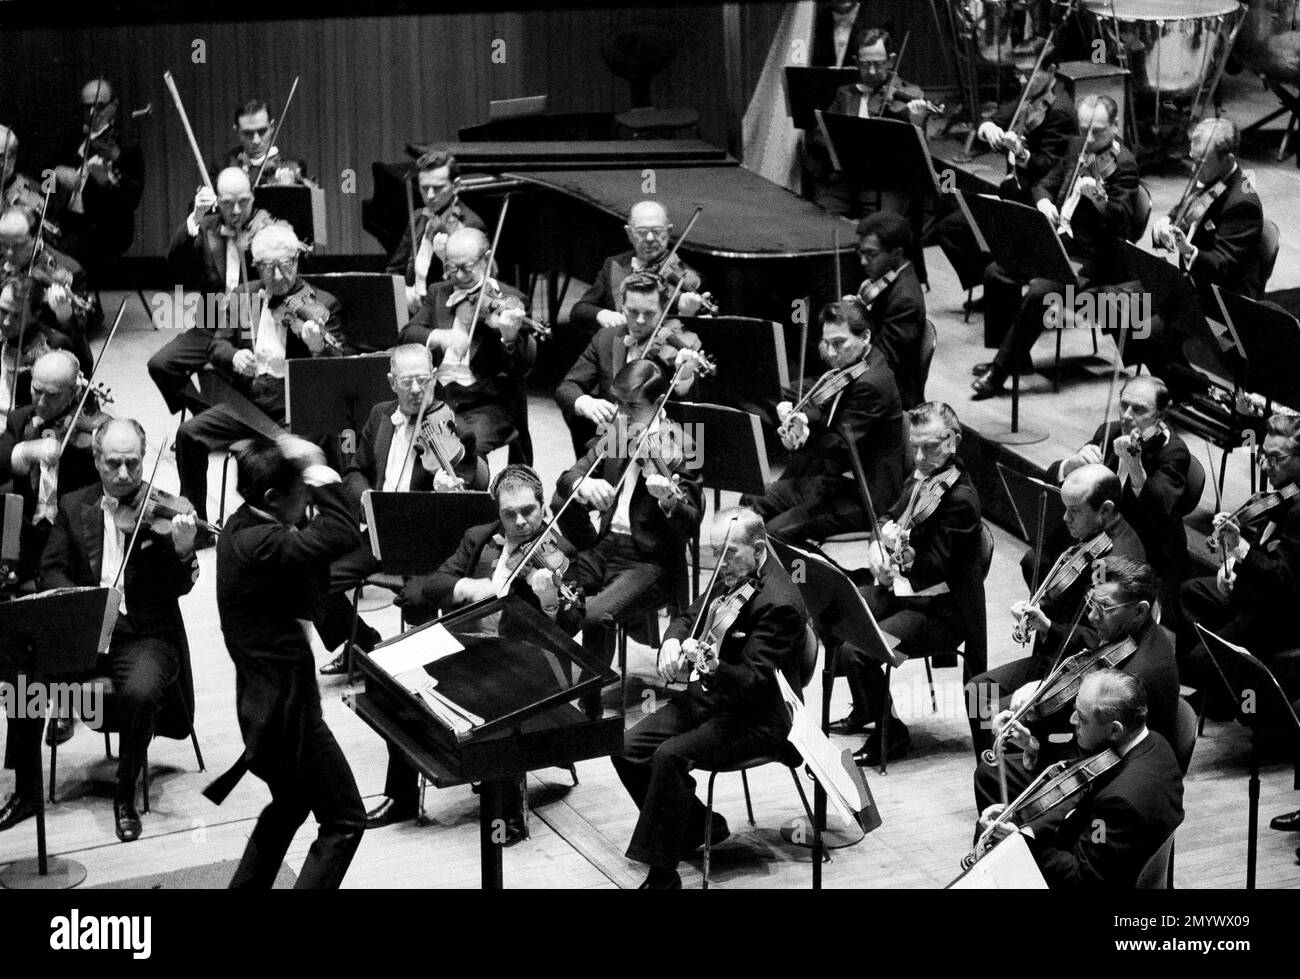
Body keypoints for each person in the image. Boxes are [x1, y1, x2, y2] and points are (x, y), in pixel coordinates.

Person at [0, 419, 198, 840]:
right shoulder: (73, 506)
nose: (124, 475)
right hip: (84, 630)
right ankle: (27, 791)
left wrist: (182, 551)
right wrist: (84, 605)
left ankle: (124, 795)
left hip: (143, 636)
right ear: (96, 459)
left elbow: (178, 587)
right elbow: (49, 569)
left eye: (133, 463)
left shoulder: (164, 511)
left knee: (142, 691)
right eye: (114, 464)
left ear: (144, 460)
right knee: (23, 681)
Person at [365, 464, 581, 838]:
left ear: (544, 507)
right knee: (393, 678)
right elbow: (432, 584)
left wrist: (550, 603)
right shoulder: (479, 538)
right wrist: (466, 586)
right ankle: (401, 796)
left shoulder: (559, 551)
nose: (521, 522)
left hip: (527, 657)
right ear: (497, 512)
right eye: (509, 513)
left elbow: (573, 622)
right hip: (468, 646)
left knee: (500, 694)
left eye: (528, 512)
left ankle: (509, 814)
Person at [612, 507, 810, 889]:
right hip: (709, 700)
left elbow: (755, 682)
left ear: (758, 549)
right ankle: (697, 827)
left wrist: (717, 667)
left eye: (730, 552)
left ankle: (663, 877)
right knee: (626, 748)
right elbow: (689, 615)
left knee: (669, 756)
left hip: (758, 717)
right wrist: (671, 642)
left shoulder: (779, 602)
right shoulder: (732, 574)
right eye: (715, 551)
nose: (721, 563)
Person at [210, 435, 366, 889]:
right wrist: (318, 469)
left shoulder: (241, 526)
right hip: (287, 716)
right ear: (274, 498)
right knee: (344, 820)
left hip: (263, 708)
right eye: (300, 494)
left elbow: (310, 584)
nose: (307, 501)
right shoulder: (262, 543)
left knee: (291, 805)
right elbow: (341, 532)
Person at [312, 343, 488, 676]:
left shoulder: (456, 430)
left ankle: (426, 679)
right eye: (406, 382)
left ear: (435, 377)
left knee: (418, 599)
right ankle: (363, 646)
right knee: (315, 578)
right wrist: (367, 503)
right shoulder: (380, 415)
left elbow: (464, 495)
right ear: (392, 382)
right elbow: (356, 471)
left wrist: (444, 487)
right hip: (379, 531)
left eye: (423, 380)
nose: (416, 390)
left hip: (427, 542)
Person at [831, 402, 985, 764]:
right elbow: (887, 515)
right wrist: (877, 547)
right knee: (838, 613)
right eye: (914, 445)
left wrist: (901, 561)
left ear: (953, 441)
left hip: (940, 612)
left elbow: (934, 566)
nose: (918, 456)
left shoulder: (961, 499)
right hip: (902, 592)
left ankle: (892, 734)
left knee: (861, 650)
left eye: (929, 447)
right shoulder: (921, 477)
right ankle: (868, 709)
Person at [174, 221, 344, 533]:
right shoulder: (242, 295)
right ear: (255, 265)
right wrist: (234, 356)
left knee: (291, 457)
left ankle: (297, 531)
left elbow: (338, 369)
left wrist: (317, 346)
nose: (278, 276)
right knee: (189, 434)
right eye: (268, 267)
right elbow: (216, 345)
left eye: (285, 265)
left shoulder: (322, 303)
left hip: (295, 408)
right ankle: (196, 525)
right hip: (248, 404)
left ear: (296, 260)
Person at [973, 557, 1180, 814]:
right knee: (985, 699)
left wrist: (1036, 748)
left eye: (1104, 607)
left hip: (1111, 779)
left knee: (990, 772)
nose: (1092, 616)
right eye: (1092, 603)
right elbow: (1096, 641)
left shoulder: (1136, 676)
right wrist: (1047, 626)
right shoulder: (1136, 632)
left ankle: (1013, 840)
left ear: (1140, 610)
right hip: (1102, 745)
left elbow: (1096, 754)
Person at [967, 464, 1147, 752]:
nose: (1065, 518)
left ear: (1105, 509)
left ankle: (1014, 766)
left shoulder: (1118, 564)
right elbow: (1044, 562)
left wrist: (1049, 627)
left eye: (1074, 511)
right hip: (1058, 649)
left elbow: (1101, 643)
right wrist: (1039, 610)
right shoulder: (1087, 533)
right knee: (977, 690)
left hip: (1081, 672)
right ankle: (991, 764)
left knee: (998, 711)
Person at [555, 359, 703, 708]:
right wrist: (583, 484)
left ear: (659, 403)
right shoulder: (619, 434)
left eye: (633, 407)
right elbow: (566, 477)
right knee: (551, 593)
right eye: (619, 403)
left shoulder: (684, 445)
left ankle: (588, 705)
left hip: (648, 561)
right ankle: (555, 693)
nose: (622, 413)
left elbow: (692, 520)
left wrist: (669, 501)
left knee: (594, 615)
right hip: (603, 546)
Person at [972, 95, 1139, 398]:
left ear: (1115, 126)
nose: (1089, 139)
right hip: (1057, 239)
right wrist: (1045, 200)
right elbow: (1045, 181)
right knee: (996, 272)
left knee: (1040, 292)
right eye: (1085, 129)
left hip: (1093, 258)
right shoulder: (1076, 146)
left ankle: (997, 373)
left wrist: (1099, 200)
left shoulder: (1123, 165)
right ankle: (1016, 359)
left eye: (1098, 131)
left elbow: (1121, 222)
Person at [974, 669, 1184, 889]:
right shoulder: (1154, 743)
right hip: (1105, 852)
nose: (1072, 720)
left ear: (1115, 729)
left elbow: (1082, 878)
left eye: (1082, 718)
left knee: (991, 848)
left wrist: (1022, 845)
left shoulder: (1119, 804)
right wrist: (1032, 746)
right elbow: (1085, 764)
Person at [745, 299, 904, 543]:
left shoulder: (872, 383)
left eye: (839, 343)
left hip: (865, 495)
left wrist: (805, 437)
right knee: (753, 500)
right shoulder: (855, 362)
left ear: (865, 336)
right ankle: (751, 570)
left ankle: (833, 580)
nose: (830, 352)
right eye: (826, 343)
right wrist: (801, 416)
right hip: (836, 480)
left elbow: (841, 447)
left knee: (777, 533)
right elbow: (827, 404)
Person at [1179, 413, 1300, 715]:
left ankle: (1229, 700)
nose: (1265, 465)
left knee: (1200, 658)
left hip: (1282, 613)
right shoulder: (1287, 492)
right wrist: (1231, 567)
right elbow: (1268, 550)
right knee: (1190, 592)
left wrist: (1239, 548)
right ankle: (1218, 689)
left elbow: (1282, 580)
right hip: (1260, 594)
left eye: (1276, 458)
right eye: (1264, 456)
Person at [1045, 376, 1191, 615]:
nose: (1126, 415)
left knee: (1087, 595)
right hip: (1099, 538)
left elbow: (1156, 511)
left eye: (1139, 409)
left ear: (1161, 415)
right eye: (1124, 405)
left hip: (1144, 548)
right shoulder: (1108, 432)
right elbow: (1056, 481)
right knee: (1036, 561)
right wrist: (1071, 464)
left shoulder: (1173, 452)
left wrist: (1135, 467)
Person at [934, 56, 1075, 296]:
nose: (1022, 79)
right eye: (1019, 72)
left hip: (1033, 203)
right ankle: (994, 291)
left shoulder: (1061, 111)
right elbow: (995, 118)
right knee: (949, 229)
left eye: (1028, 73)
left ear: (1051, 70)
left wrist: (1021, 154)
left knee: (986, 236)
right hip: (1011, 194)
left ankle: (1001, 287)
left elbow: (1050, 168)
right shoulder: (1029, 96)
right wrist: (988, 127)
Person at [400, 226, 535, 461]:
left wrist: (509, 336)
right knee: (410, 444)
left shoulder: (508, 299)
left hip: (485, 404)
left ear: (486, 259)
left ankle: (472, 497)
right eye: (452, 267)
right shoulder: (439, 292)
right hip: (438, 396)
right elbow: (407, 334)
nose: (460, 276)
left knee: (466, 449)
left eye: (467, 268)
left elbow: (519, 369)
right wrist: (442, 336)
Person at [1147, 118, 1264, 388]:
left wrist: (1190, 251)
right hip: (1192, 291)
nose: (1193, 165)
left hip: (1222, 306)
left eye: (1201, 161)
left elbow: (1223, 265)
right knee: (1128, 317)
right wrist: (1164, 224)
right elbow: (1182, 215)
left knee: (1150, 331)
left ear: (1227, 159)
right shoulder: (1209, 178)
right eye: (1193, 157)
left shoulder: (1242, 203)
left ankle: (1193, 391)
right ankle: (1185, 389)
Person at [148, 167, 274, 415]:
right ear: (217, 201)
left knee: (255, 381)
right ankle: (204, 414)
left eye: (243, 202)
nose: (236, 211)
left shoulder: (266, 227)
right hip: (209, 325)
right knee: (160, 365)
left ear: (253, 197)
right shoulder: (206, 227)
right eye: (228, 204)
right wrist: (195, 217)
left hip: (252, 327)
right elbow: (173, 264)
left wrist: (263, 246)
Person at [556, 270, 706, 457]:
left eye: (649, 313)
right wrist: (585, 402)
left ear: (663, 309)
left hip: (660, 450)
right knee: (568, 483)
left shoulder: (677, 346)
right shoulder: (606, 338)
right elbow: (567, 387)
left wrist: (685, 377)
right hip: (611, 447)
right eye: (633, 312)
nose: (640, 321)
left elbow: (691, 420)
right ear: (622, 307)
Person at [0, 350, 104, 584]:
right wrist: (25, 451)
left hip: (71, 539)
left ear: (75, 391)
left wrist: (95, 435)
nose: (42, 403)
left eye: (53, 395)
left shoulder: (92, 428)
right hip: (26, 533)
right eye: (37, 391)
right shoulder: (21, 420)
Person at [568, 200, 708, 338]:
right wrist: (602, 314)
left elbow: (696, 331)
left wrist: (686, 313)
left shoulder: (686, 276)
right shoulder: (614, 264)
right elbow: (579, 310)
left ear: (669, 231)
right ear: (629, 233)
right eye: (641, 232)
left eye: (657, 231)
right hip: (616, 348)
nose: (649, 238)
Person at [51, 78, 146, 268]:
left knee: (61, 254)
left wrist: (105, 183)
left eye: (100, 106)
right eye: (87, 107)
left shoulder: (126, 145)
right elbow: (44, 174)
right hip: (68, 221)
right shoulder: (72, 138)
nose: (93, 112)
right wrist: (55, 174)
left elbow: (131, 200)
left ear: (114, 106)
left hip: (107, 228)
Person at [385, 149, 486, 314]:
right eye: (424, 188)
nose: (430, 195)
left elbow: (473, 283)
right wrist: (402, 292)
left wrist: (446, 258)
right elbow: (395, 268)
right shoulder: (418, 217)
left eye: (438, 188)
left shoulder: (471, 225)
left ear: (456, 186)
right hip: (411, 311)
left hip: (448, 311)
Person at [0, 205, 102, 352]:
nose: (9, 253)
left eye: (18, 246)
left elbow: (78, 336)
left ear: (37, 237)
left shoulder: (71, 271)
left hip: (43, 348)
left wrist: (65, 317)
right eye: (3, 244)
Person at [853, 211, 926, 409]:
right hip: (870, 380)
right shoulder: (889, 279)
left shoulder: (905, 301)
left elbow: (884, 361)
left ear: (897, 254)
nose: (863, 262)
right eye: (861, 253)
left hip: (885, 398)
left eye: (871, 254)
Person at [221, 98, 308, 185]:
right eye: (248, 133)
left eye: (262, 131)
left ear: (272, 127)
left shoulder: (294, 165)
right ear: (237, 131)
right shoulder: (222, 167)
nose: (256, 141)